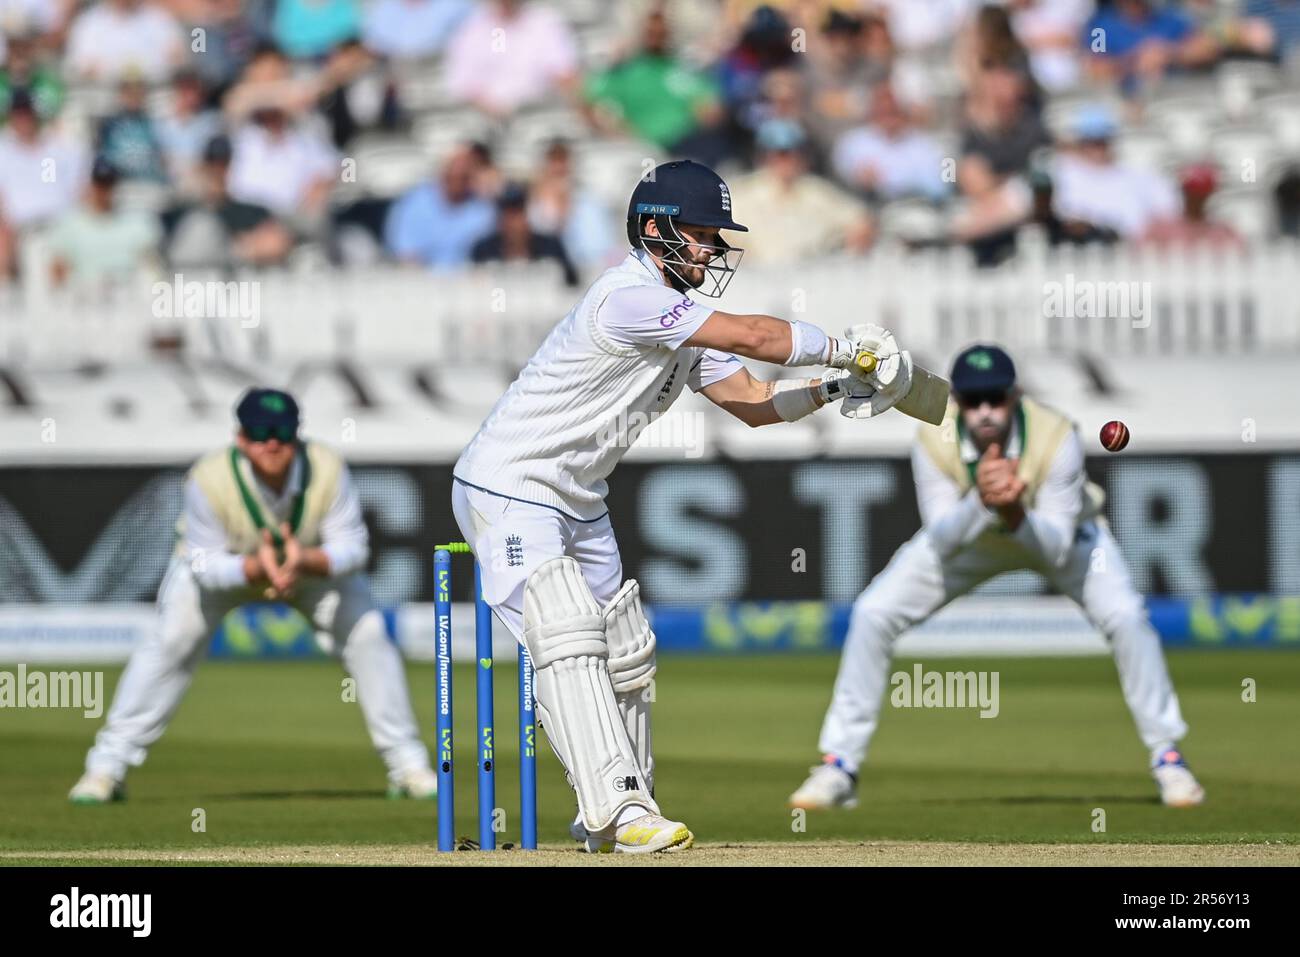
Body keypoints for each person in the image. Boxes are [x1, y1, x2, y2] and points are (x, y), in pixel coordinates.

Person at [452, 159, 916, 853]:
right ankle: (619, 809)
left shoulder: (681, 317)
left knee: (627, 648)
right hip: (510, 483)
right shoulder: (628, 296)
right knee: (569, 630)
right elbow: (755, 336)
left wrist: (829, 391)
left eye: (714, 235)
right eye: (699, 233)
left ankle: (605, 818)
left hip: (578, 496)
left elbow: (753, 403)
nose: (711, 248)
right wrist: (851, 350)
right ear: (653, 229)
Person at [788, 344, 1205, 811]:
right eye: (973, 400)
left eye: (995, 398)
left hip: (1060, 535)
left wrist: (1012, 510)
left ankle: (1169, 757)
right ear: (959, 401)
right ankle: (839, 765)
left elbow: (1058, 546)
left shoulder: (1055, 434)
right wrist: (985, 502)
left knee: (1128, 617)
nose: (985, 411)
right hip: (969, 538)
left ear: (1014, 396)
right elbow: (942, 538)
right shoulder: (933, 437)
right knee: (873, 613)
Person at [70, 389, 438, 804]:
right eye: (260, 432)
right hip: (226, 568)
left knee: (369, 634)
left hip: (309, 570)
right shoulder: (208, 478)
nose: (272, 442)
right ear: (241, 438)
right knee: (171, 641)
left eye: (281, 431)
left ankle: (408, 766)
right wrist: (255, 568)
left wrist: (305, 559)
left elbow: (354, 548)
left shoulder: (326, 466)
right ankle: (105, 770)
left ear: (296, 434)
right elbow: (205, 566)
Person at [471, 183, 578, 286]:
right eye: (508, 214)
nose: (513, 222)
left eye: (518, 213)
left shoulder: (551, 248)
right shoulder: (483, 251)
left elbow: (572, 284)